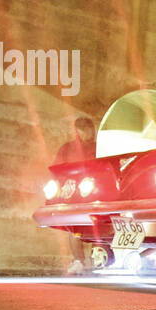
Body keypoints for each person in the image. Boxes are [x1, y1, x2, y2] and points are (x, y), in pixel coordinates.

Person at [54, 117, 98, 274]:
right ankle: (79, 261)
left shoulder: (99, 147)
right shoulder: (67, 149)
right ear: (77, 130)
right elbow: (57, 170)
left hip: (96, 193)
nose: (88, 132)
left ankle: (98, 259)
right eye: (83, 128)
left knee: (98, 227)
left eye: (89, 128)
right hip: (74, 195)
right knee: (75, 228)